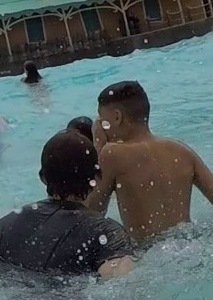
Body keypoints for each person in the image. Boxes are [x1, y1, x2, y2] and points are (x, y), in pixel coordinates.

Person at [0, 130, 134, 277]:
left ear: (42, 177)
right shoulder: (107, 233)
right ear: (96, 178)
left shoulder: (4, 226)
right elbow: (118, 283)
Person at [86, 80, 213, 243]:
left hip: (147, 255)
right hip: (188, 244)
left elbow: (92, 213)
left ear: (117, 117)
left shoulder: (111, 154)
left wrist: (98, 147)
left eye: (102, 121)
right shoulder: (182, 150)